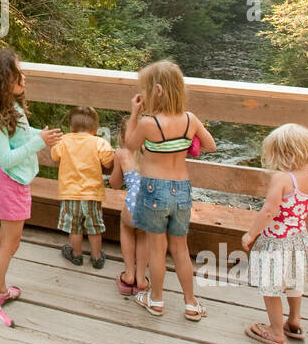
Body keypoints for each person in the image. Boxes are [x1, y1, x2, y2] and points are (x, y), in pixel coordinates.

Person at [0, 48, 62, 327]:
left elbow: (22, 135)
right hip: (10, 182)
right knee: (9, 244)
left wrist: (43, 135)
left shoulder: (12, 107)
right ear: (3, 81)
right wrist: (40, 143)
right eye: (17, 73)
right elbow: (7, 158)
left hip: (18, 182)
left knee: (6, 240)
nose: (23, 76)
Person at [124, 60, 216, 320]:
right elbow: (211, 146)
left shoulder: (148, 123)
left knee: (156, 249)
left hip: (155, 190)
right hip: (182, 190)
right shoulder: (191, 119)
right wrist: (186, 143)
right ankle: (190, 303)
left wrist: (134, 113)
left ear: (159, 91)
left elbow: (129, 145)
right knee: (180, 249)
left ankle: (156, 300)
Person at [242, 124, 308, 344]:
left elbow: (269, 211)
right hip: (298, 239)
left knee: (270, 288)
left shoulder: (282, 178)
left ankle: (276, 331)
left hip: (276, 243)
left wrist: (251, 234)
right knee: (293, 282)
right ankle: (294, 321)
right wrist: (305, 238)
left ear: (285, 154)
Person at [52, 106, 114, 269]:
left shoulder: (64, 140)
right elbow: (108, 162)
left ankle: (77, 255)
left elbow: (54, 155)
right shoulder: (99, 142)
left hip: (70, 194)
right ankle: (96, 256)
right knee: (94, 227)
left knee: (75, 227)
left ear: (71, 128)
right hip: (92, 195)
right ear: (95, 129)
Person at [110, 114, 148, 296]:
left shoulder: (121, 154)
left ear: (123, 136)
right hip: (151, 205)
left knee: (126, 227)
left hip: (132, 205)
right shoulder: (154, 153)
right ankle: (141, 278)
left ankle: (129, 275)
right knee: (143, 234)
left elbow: (115, 184)